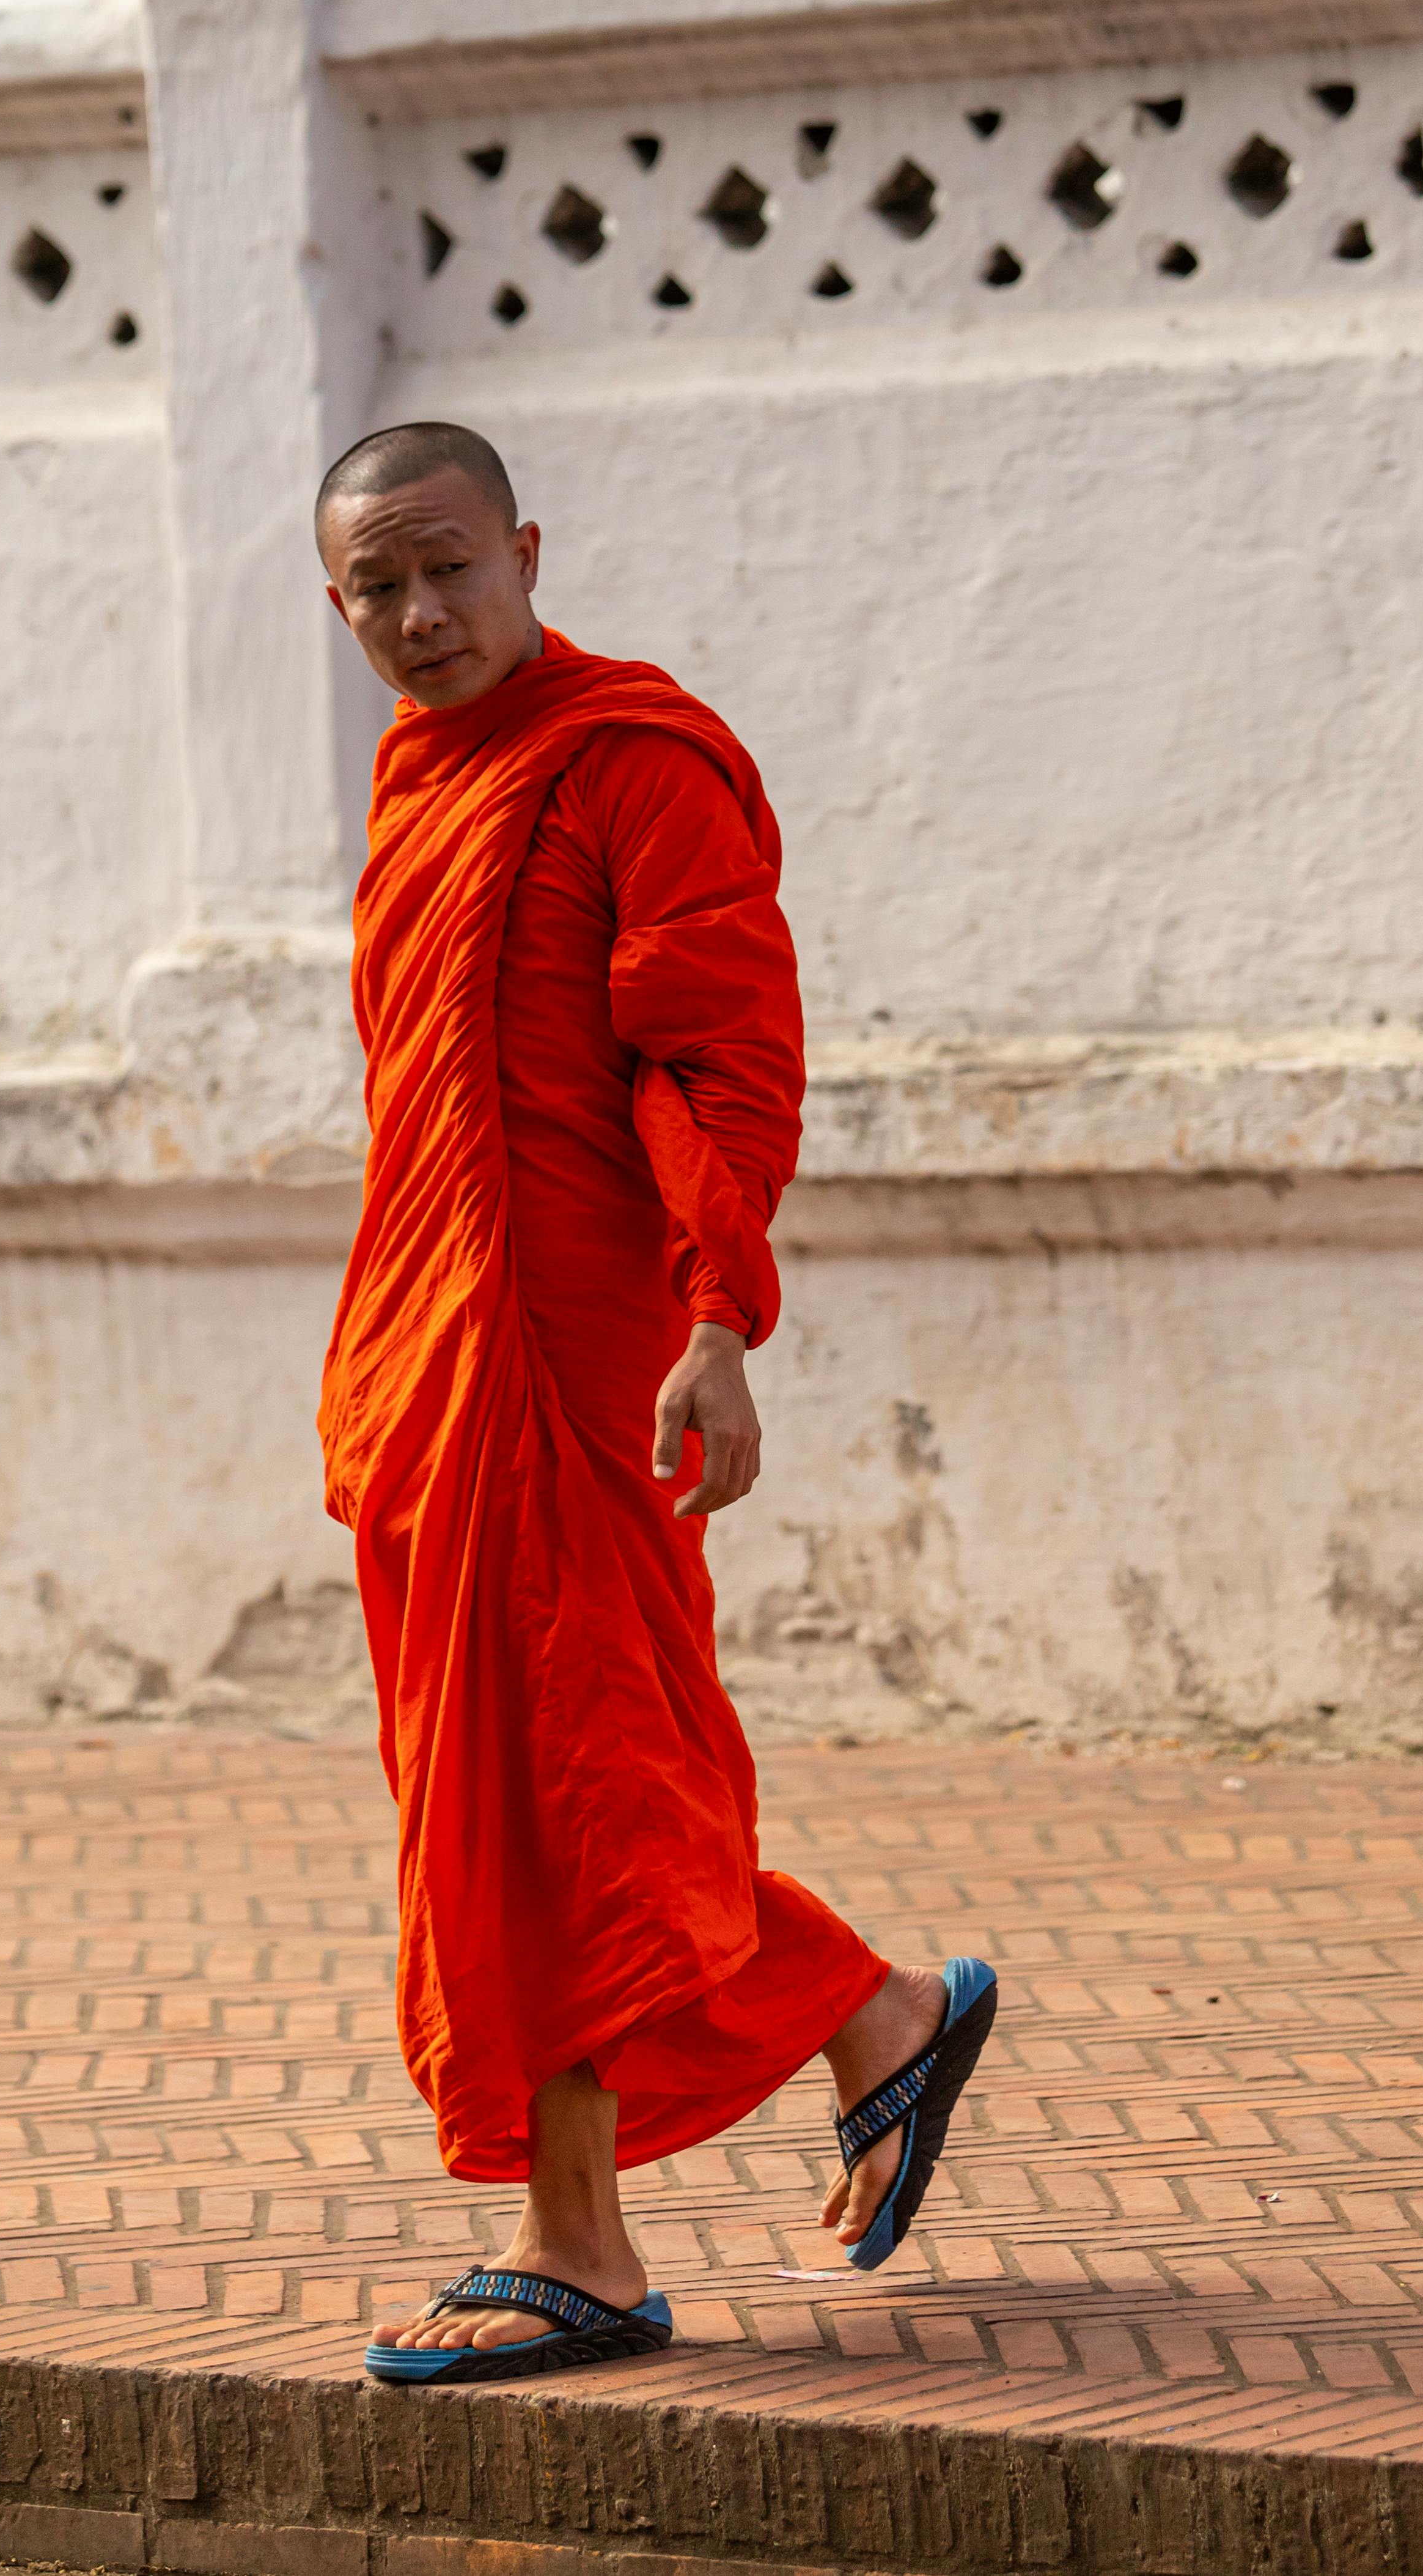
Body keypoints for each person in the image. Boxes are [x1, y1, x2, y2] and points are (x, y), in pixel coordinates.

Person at [314, 421, 995, 2388]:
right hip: (439, 1354)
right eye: (380, 586)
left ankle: (585, 2248)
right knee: (500, 1779)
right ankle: (869, 2010)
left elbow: (715, 1055)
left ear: (526, 550)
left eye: (452, 567)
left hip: (583, 1355)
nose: (423, 615)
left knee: (575, 1777)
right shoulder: (417, 780)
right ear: (338, 602)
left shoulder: (632, 760)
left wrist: (721, 1316)